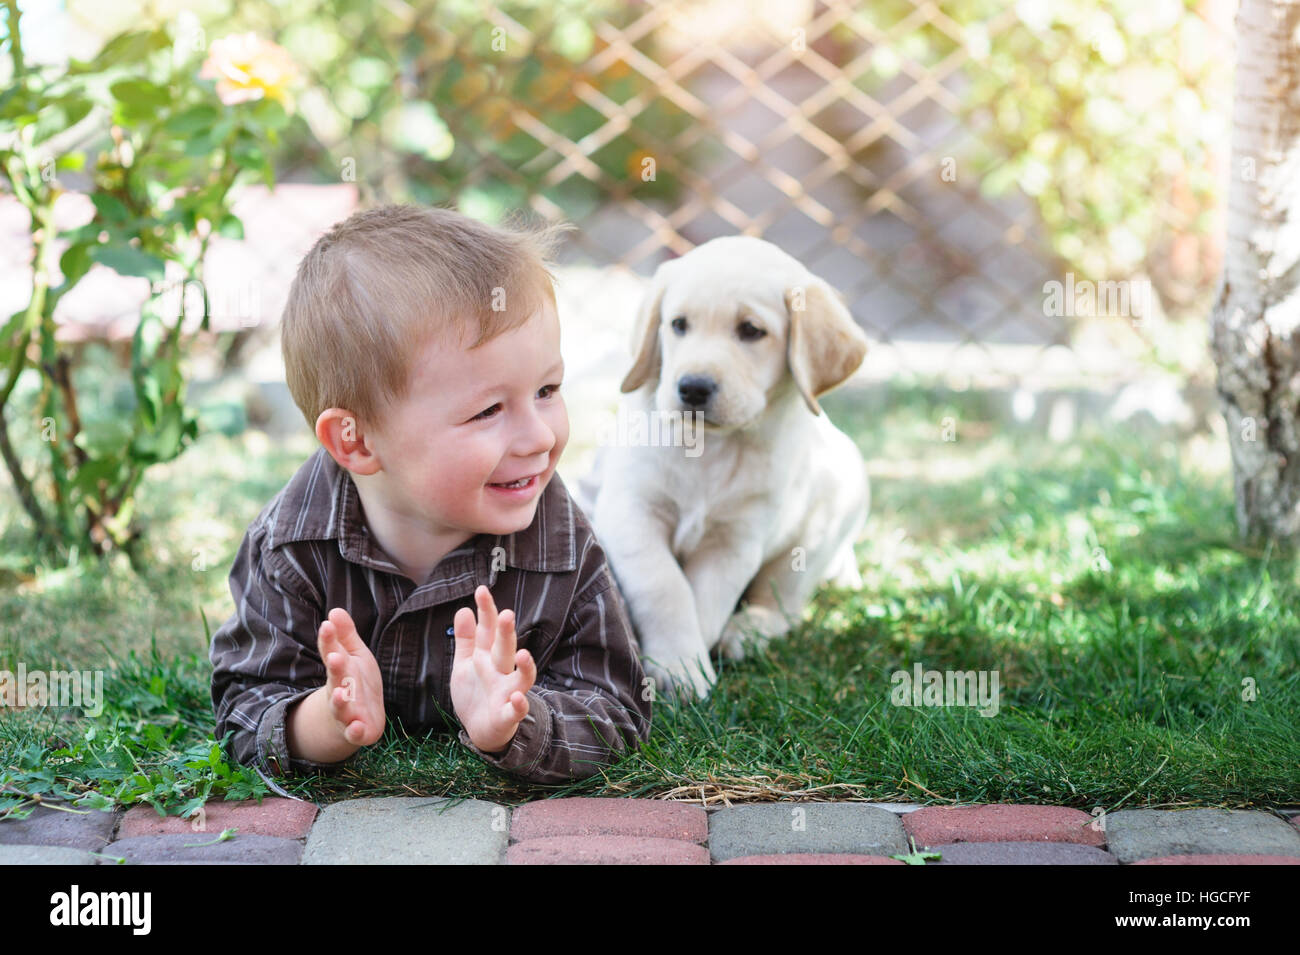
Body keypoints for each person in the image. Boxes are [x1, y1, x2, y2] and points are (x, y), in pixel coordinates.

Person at [209, 204, 652, 784]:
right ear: (357, 441)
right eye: (488, 410)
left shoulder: (561, 543)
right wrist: (324, 721)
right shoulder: (292, 548)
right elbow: (244, 704)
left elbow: (618, 706)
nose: (540, 435)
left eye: (548, 389)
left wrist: (517, 723)